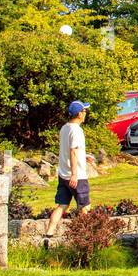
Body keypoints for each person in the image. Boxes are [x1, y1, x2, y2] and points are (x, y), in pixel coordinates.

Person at [47, 100, 91, 237]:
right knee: (84, 206)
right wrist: (74, 174)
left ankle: (48, 234)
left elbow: (70, 150)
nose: (85, 114)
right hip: (77, 176)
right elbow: (73, 151)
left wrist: (84, 156)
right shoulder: (76, 130)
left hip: (63, 175)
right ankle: (87, 236)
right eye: (84, 111)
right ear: (79, 114)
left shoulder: (65, 128)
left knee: (62, 205)